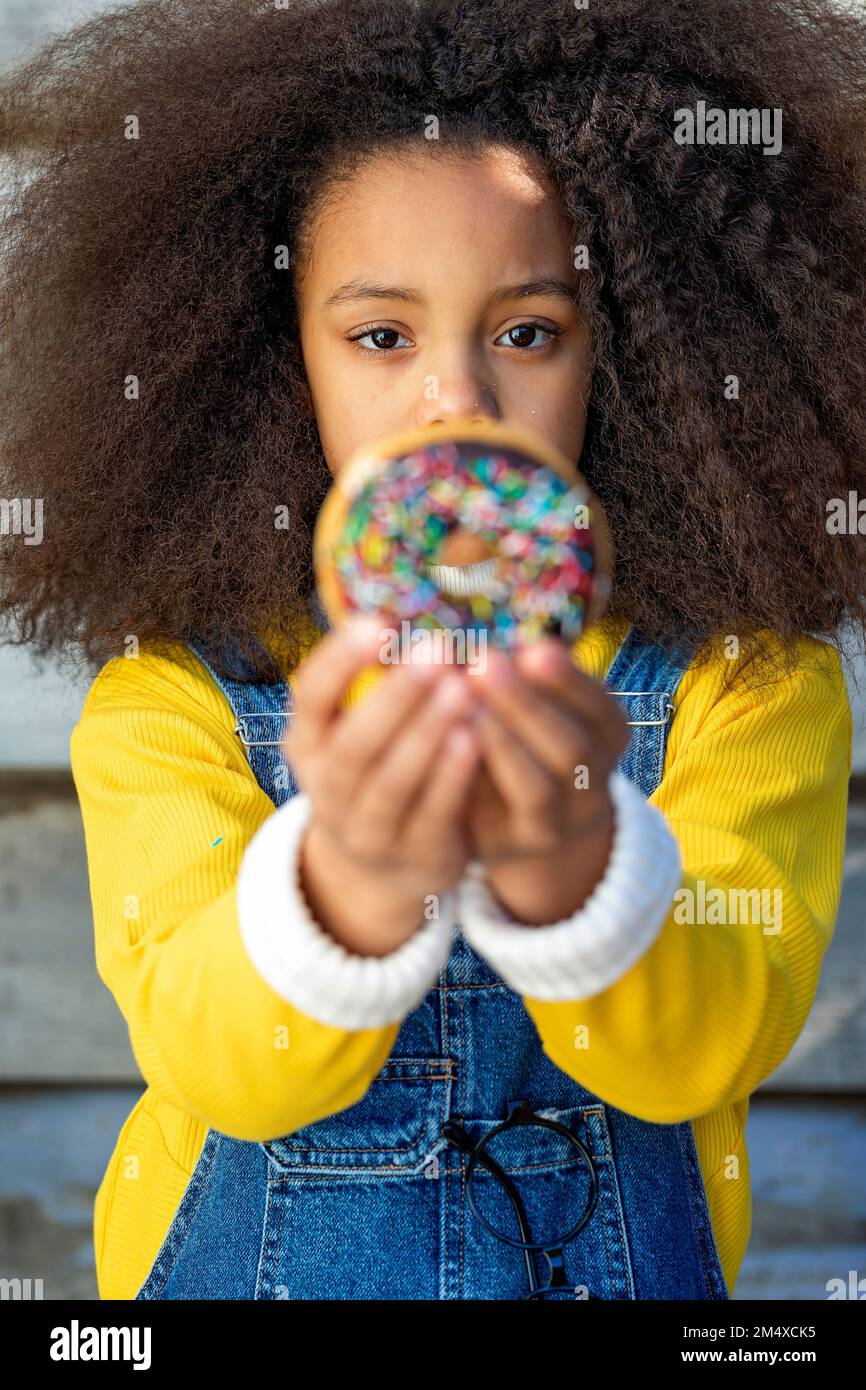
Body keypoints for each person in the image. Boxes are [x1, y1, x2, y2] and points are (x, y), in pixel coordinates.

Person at [1, 0, 862, 1300]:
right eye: (380, 335)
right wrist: (342, 880)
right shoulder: (172, 697)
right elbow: (215, 1057)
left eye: (526, 331)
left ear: (630, 352)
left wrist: (573, 868)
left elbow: (708, 1048)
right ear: (268, 359)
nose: (453, 398)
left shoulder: (742, 686)